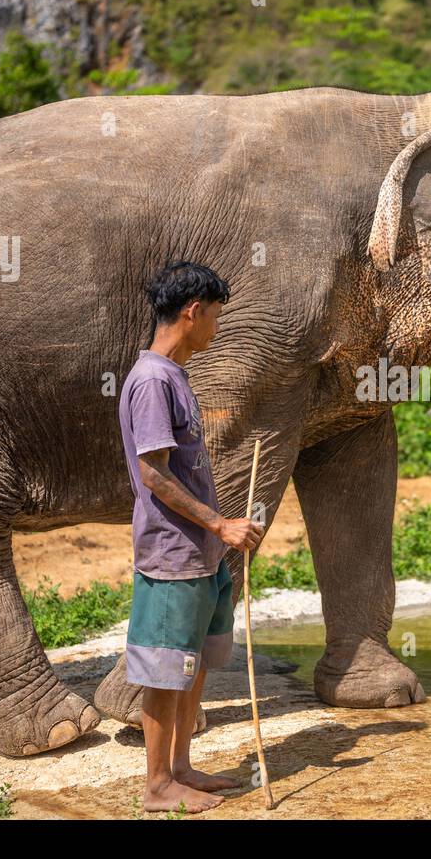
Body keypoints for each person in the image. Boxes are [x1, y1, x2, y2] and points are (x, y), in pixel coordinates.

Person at [118, 260, 264, 814]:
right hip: (173, 554)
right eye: (217, 317)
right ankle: (157, 787)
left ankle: (179, 767)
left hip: (202, 554)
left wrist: (218, 535)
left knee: (195, 659)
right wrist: (219, 524)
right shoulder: (153, 380)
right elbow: (152, 473)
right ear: (193, 311)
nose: (217, 329)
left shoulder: (175, 374)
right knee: (165, 668)